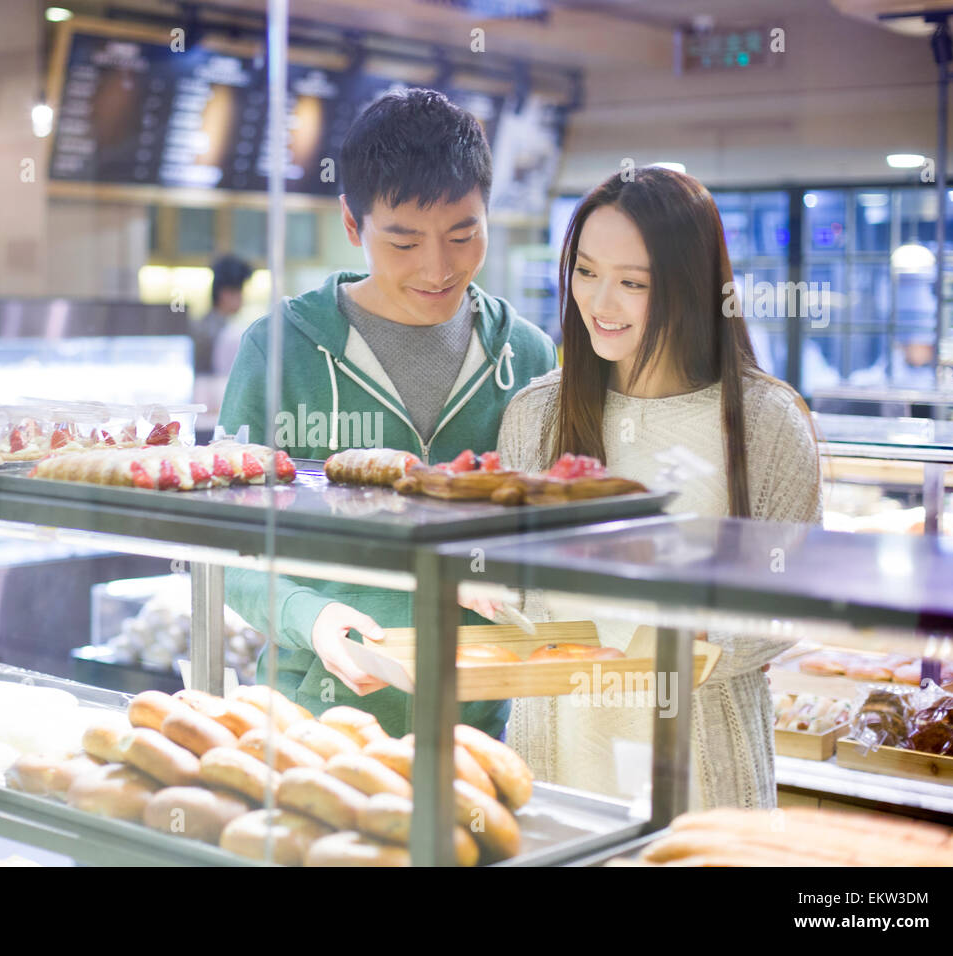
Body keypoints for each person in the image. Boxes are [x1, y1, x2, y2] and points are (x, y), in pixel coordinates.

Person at [218, 88, 557, 737]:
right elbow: (229, 546)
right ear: (353, 224)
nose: (437, 267)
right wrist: (306, 617)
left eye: (464, 234)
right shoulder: (280, 349)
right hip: (311, 719)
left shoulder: (528, 355)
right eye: (403, 242)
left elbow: (548, 530)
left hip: (479, 726)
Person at [495, 166, 821, 809]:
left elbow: (793, 601)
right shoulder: (537, 415)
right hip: (560, 767)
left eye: (633, 283)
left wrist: (695, 646)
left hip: (703, 779)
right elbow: (516, 592)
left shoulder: (764, 420)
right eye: (585, 272)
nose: (599, 302)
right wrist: (489, 591)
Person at [194, 254, 253, 378]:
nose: (243, 298)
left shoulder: (204, 325)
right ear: (225, 294)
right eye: (240, 292)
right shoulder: (226, 333)